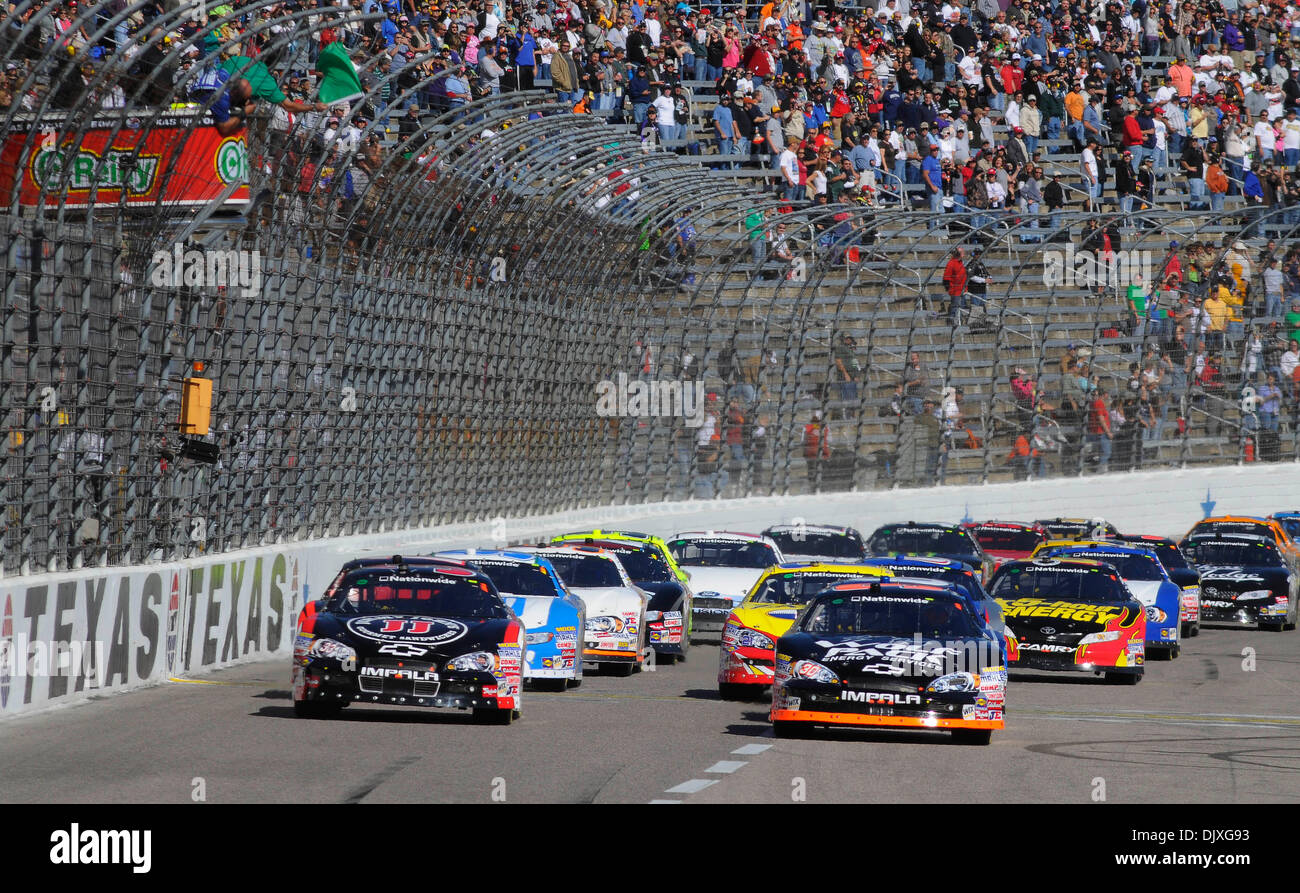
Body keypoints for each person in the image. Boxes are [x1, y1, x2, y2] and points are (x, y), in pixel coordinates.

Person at [1084, 388, 1112, 474]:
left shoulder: (1093, 403)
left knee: (1100, 452)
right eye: (1093, 395)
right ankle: (1100, 469)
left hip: (1096, 432)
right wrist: (1108, 432)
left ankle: (1100, 468)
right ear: (1103, 395)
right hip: (1101, 432)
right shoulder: (1098, 403)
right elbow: (1101, 419)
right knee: (1106, 452)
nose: (1093, 396)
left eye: (1095, 395)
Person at [942, 246, 967, 323]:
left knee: (962, 308)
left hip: (962, 290)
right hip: (955, 290)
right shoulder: (951, 263)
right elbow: (946, 278)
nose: (964, 253)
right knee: (955, 308)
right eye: (962, 252)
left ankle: (959, 323)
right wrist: (949, 288)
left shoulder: (960, 262)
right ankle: (952, 323)